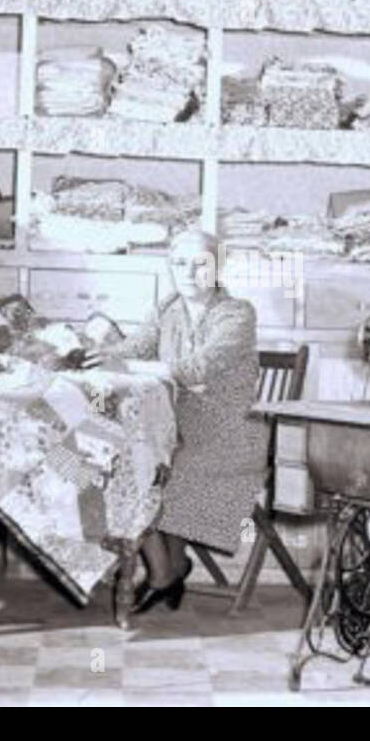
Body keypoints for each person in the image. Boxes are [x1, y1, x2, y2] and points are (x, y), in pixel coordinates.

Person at [84, 229, 267, 614]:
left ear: (218, 268)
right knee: (110, 454)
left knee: (144, 464)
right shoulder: (168, 307)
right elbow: (135, 346)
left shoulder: (237, 313)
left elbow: (198, 367)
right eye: (180, 263)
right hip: (177, 423)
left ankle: (165, 571)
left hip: (227, 429)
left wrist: (128, 364)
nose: (189, 272)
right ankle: (166, 568)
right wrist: (99, 355)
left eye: (200, 263)